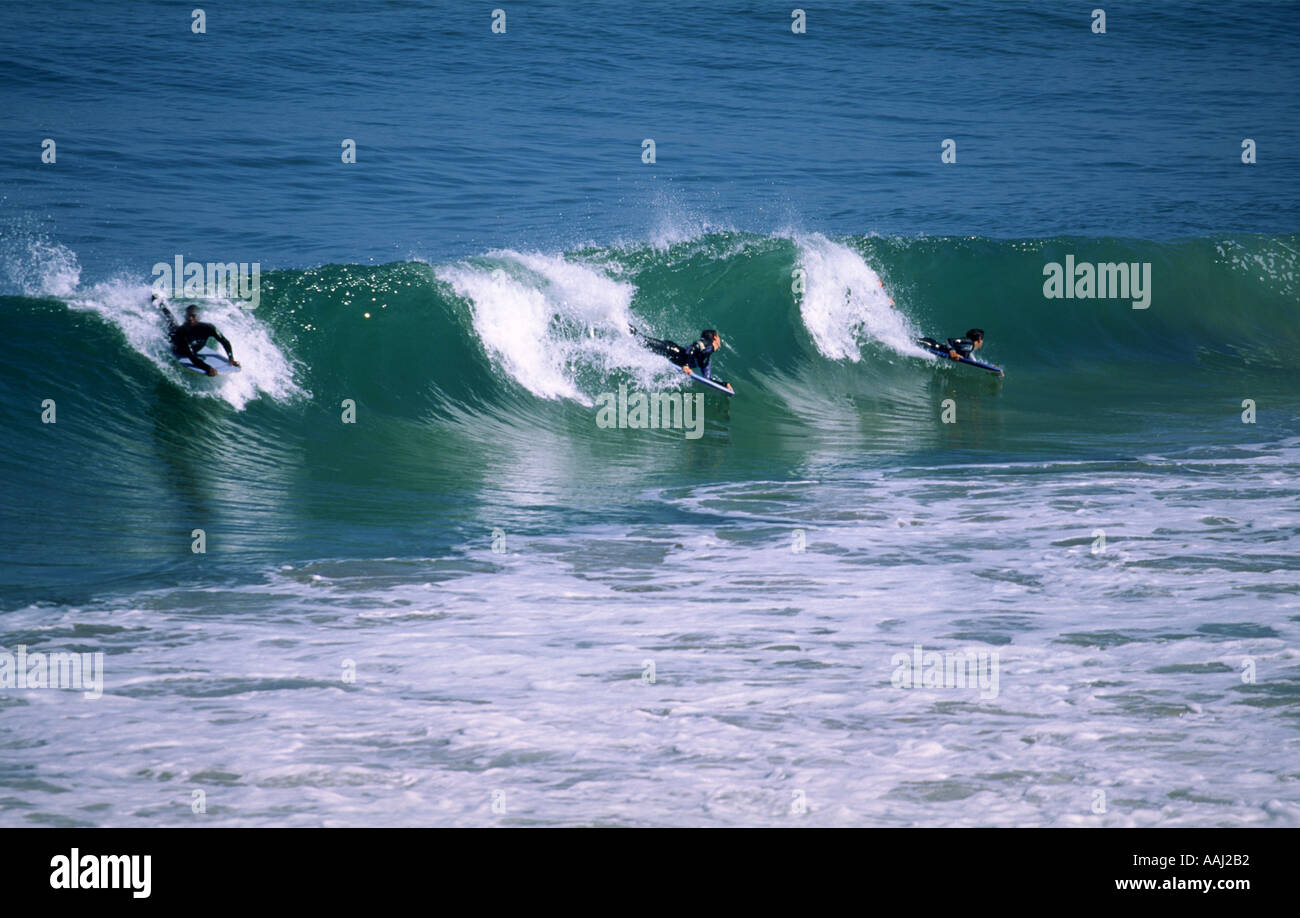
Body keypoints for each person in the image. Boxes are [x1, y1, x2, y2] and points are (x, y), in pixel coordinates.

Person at [156, 295, 238, 377]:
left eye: (193, 316)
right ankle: (159, 303)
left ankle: (160, 303)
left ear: (198, 317)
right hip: (177, 345)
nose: (190, 318)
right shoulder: (182, 332)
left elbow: (224, 341)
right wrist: (208, 368)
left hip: (193, 347)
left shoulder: (209, 328)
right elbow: (191, 356)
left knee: (172, 320)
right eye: (188, 316)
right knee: (171, 321)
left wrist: (231, 358)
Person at [632, 326, 732, 392]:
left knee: (642, 344)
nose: (720, 340)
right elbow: (694, 347)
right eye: (718, 337)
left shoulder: (706, 360)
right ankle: (623, 325)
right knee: (641, 339)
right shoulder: (707, 344)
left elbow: (707, 379)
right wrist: (686, 365)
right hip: (670, 349)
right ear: (715, 337)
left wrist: (724, 384)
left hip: (671, 355)